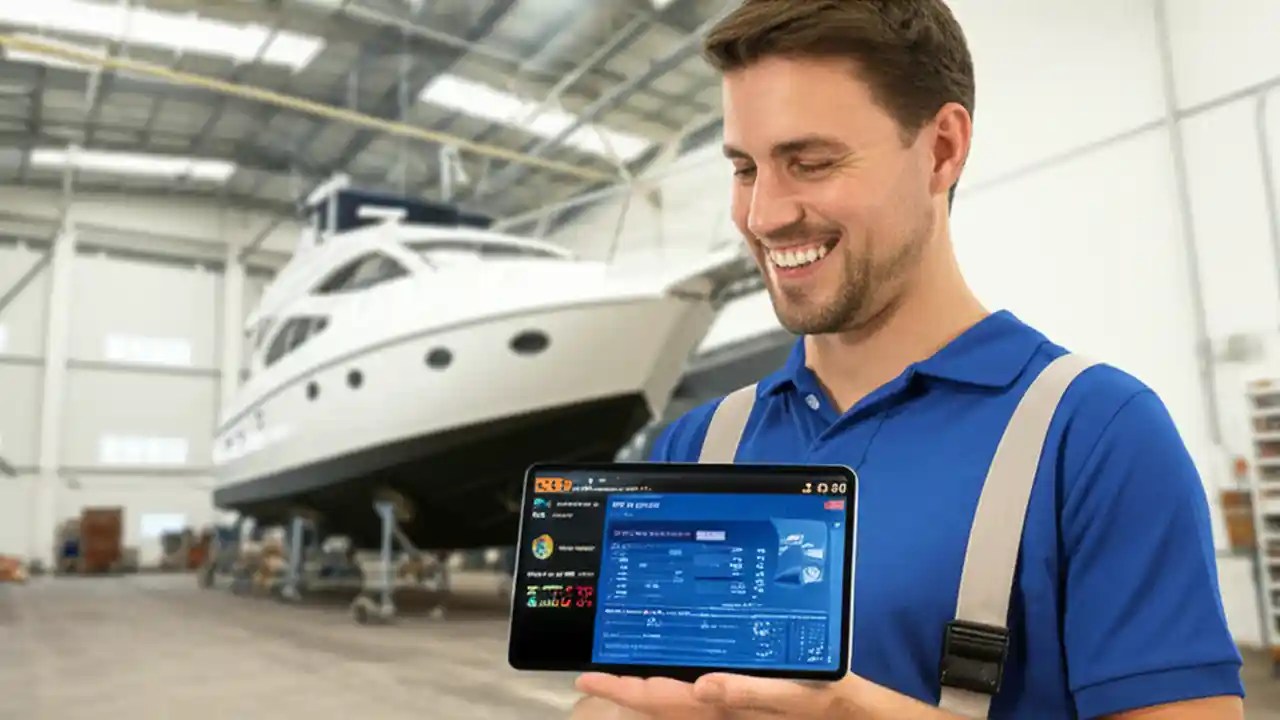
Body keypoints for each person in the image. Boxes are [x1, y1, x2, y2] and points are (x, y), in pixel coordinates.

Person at [569, 1, 1246, 718]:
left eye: (811, 162)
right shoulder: (697, 448)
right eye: (744, 168)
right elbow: (611, 700)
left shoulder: (1096, 436)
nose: (763, 215)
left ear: (943, 150)